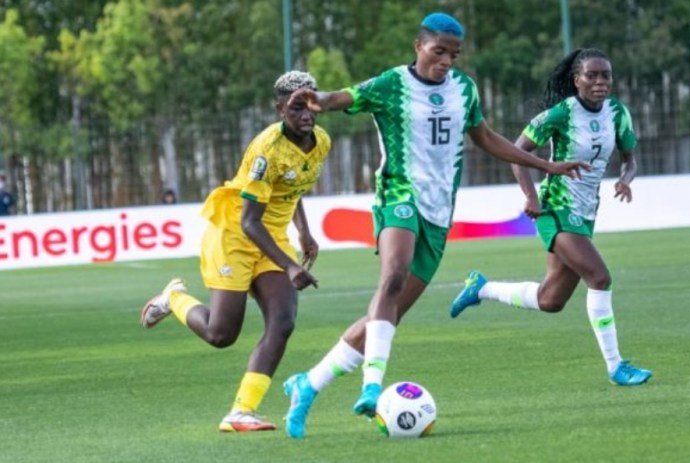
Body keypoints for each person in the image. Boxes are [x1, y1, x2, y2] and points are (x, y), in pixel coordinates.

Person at [282, 12, 589, 439]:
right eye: (438, 51)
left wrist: (544, 164)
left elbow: (485, 137)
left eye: (454, 54)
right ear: (418, 46)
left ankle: (308, 385)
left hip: (439, 215)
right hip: (399, 196)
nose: (447, 60)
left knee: (385, 317)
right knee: (392, 277)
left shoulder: (464, 88)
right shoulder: (392, 84)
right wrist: (318, 99)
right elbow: (343, 97)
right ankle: (372, 388)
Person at [139, 71, 330, 432]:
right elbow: (249, 222)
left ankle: (241, 411)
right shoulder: (265, 150)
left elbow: (295, 186)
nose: (307, 113)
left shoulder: (320, 142)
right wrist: (290, 266)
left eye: (312, 103)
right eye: (296, 106)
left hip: (271, 235)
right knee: (221, 335)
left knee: (283, 320)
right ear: (279, 109)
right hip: (235, 233)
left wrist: (305, 233)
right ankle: (174, 298)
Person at [450, 48, 652, 387]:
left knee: (551, 300)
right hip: (555, 209)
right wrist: (530, 196)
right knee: (600, 278)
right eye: (592, 75)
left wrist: (625, 179)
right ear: (577, 80)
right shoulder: (561, 114)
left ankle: (482, 288)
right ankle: (617, 366)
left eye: (606, 76)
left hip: (586, 213)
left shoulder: (618, 113)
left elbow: (631, 159)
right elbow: (517, 153)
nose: (600, 82)